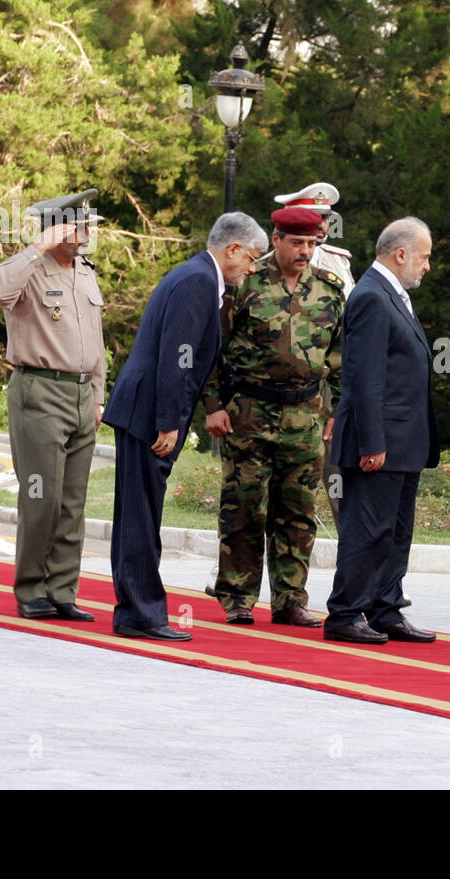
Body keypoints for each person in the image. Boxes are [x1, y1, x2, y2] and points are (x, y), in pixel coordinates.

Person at [102, 213, 268, 641]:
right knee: (140, 518)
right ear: (232, 248)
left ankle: (134, 610)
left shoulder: (195, 275)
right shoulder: (197, 281)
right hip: (149, 414)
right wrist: (168, 422)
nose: (252, 269)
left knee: (136, 516)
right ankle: (142, 614)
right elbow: (178, 358)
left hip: (141, 409)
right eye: (251, 258)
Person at [201, 182, 351, 597]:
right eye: (297, 242)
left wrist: (338, 412)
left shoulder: (329, 290)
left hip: (305, 416)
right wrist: (213, 405)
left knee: (298, 513)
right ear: (278, 240)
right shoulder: (244, 285)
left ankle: (290, 599)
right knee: (244, 508)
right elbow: (212, 349)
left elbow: (340, 358)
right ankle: (238, 597)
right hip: (250, 413)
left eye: (311, 242)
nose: (305, 251)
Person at [0, 190, 106, 620]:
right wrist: (36, 246)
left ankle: (62, 590)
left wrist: (97, 395)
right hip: (40, 392)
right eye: (79, 226)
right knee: (42, 497)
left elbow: (96, 342)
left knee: (73, 502)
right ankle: (30, 588)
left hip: (79, 395)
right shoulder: (29, 269)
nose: (87, 234)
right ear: (55, 229)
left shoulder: (86, 273)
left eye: (89, 226)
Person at [323, 217, 439, 644]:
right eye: (424, 257)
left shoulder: (394, 294)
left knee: (395, 531)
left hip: (404, 441)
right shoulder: (372, 295)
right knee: (367, 529)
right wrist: (373, 441)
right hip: (381, 442)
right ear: (401, 253)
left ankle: (385, 607)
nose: (427, 266)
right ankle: (345, 612)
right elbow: (364, 376)